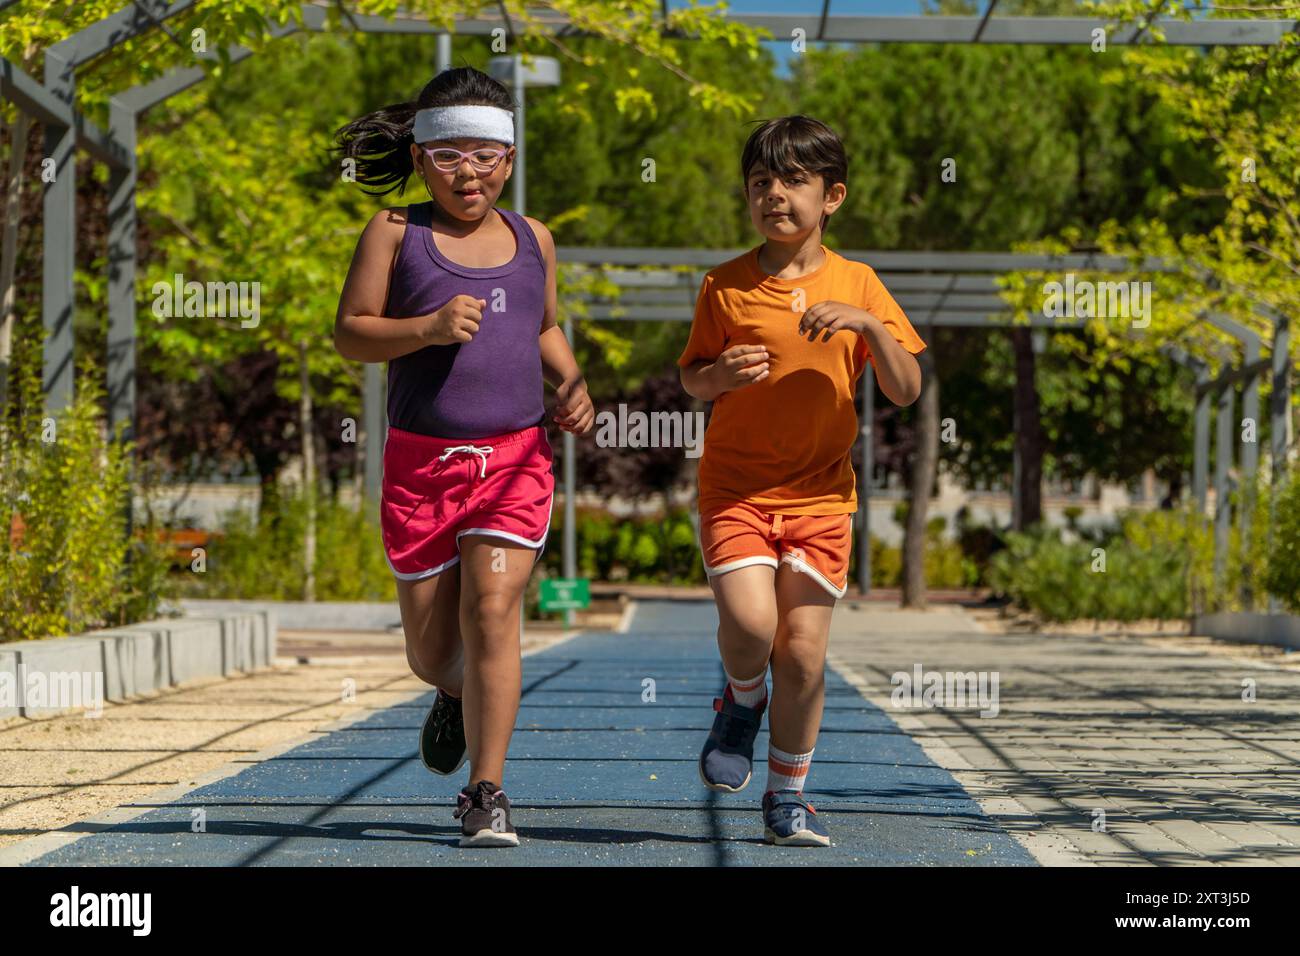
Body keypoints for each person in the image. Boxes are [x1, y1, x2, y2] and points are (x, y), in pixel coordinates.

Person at [333, 67, 594, 848]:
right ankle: (452, 690)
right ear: (420, 159)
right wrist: (427, 327)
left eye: (483, 155)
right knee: (430, 651)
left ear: (508, 158)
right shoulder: (393, 230)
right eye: (448, 156)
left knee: (493, 613)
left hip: (516, 460)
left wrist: (573, 381)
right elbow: (350, 332)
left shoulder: (533, 239)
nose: (467, 172)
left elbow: (544, 327)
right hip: (423, 466)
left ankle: (488, 792)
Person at [678, 115, 926, 846]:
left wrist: (870, 327)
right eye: (761, 182)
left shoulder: (860, 283)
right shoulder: (723, 285)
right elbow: (691, 376)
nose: (774, 194)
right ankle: (742, 700)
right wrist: (716, 374)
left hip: (822, 496)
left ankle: (788, 797)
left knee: (805, 653)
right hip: (736, 490)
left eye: (793, 181)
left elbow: (907, 388)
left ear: (832, 196)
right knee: (754, 629)